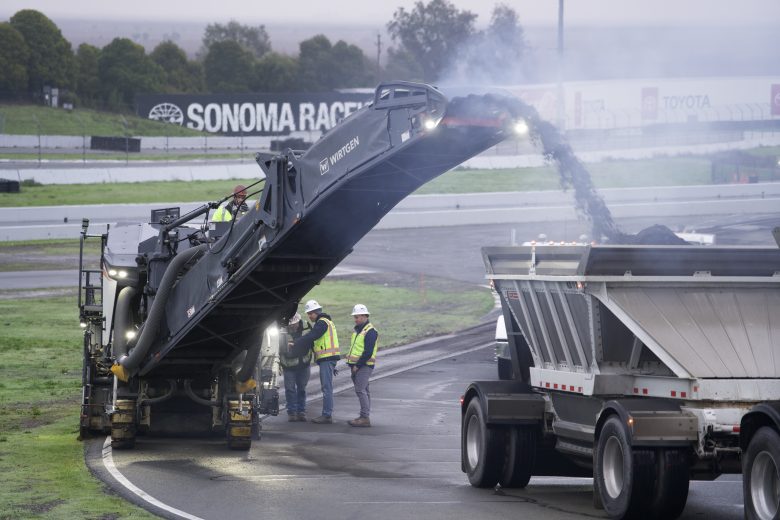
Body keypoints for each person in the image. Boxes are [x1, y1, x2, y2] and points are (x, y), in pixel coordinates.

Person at [292, 299, 339, 424]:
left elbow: (312, 336)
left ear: (315, 312)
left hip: (327, 359)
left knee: (326, 388)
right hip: (328, 359)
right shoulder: (325, 322)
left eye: (310, 314)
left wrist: (296, 342)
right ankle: (326, 414)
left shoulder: (322, 323)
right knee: (326, 387)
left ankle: (327, 415)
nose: (309, 316)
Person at [346, 304, 378, 427]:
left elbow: (368, 352)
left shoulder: (370, 332)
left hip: (364, 366)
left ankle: (364, 417)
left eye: (357, 317)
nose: (355, 319)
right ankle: (365, 416)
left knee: (360, 390)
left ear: (365, 316)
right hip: (358, 365)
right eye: (355, 317)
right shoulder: (359, 331)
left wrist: (357, 366)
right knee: (364, 390)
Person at [279, 313, 311, 422]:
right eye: (291, 325)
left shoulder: (307, 327)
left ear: (299, 321)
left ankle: (301, 412)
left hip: (304, 364)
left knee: (302, 388)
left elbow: (311, 341)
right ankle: (291, 412)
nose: (293, 327)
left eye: (294, 324)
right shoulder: (281, 330)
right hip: (289, 366)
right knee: (290, 389)